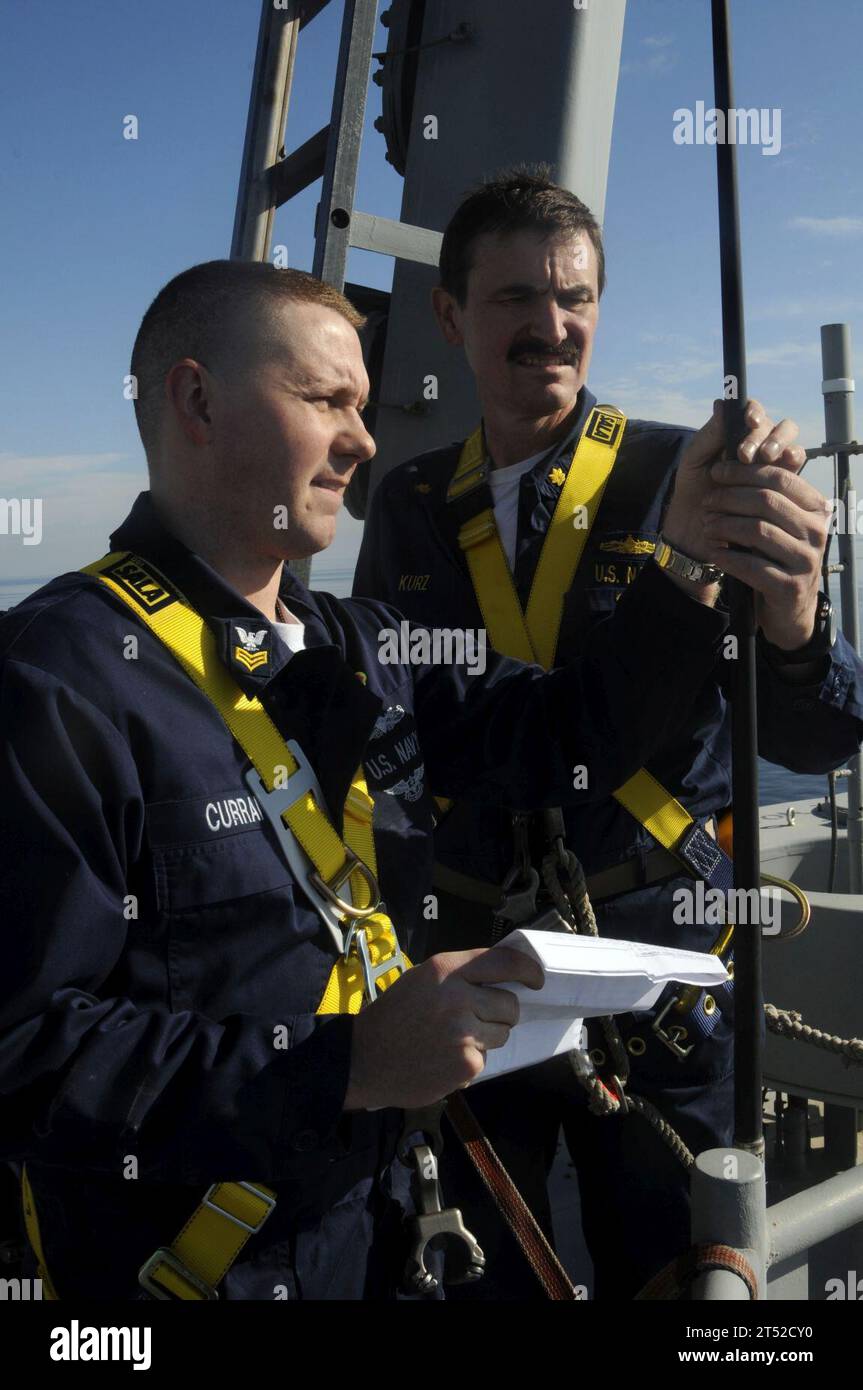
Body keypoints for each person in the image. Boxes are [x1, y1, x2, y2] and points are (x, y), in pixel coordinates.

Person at [0, 260, 738, 1302]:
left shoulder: (367, 644)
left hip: (384, 1233)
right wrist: (339, 1065)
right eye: (325, 399)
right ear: (197, 399)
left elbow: (568, 731)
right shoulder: (55, 677)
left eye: (360, 401)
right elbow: (25, 1050)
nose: (364, 438)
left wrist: (690, 559)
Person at [353, 168, 863, 1300]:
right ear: (449, 315)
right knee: (487, 1254)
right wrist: (679, 574)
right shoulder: (412, 506)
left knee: (673, 1265)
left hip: (659, 957)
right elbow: (463, 740)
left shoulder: (681, 469)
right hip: (482, 950)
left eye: (573, 298)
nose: (550, 328)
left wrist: (791, 619)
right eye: (514, 300)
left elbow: (817, 732)